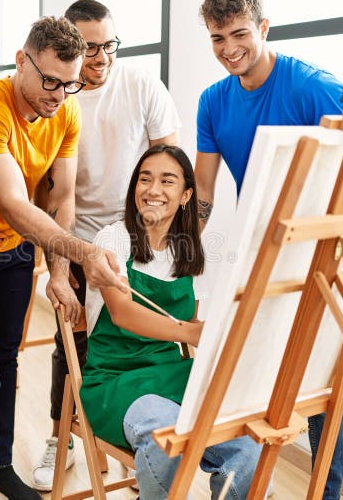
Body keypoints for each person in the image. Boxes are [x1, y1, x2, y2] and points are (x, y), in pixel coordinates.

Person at [0, 16, 126, 500]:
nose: (59, 95)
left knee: (5, 356)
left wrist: (60, 274)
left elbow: (60, 199)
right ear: (21, 60)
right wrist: (85, 253)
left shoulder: (64, 110)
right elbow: (12, 203)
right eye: (49, 81)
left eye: (70, 84)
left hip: (14, 252)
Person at [193, 0, 343, 499]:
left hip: (322, 254)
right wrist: (186, 249)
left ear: (263, 27)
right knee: (253, 376)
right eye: (217, 39)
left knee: (325, 387)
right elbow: (205, 190)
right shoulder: (213, 102)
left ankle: (325, 493)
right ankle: (252, 485)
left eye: (239, 34)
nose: (229, 49)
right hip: (263, 252)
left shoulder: (312, 87)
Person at [32, 0, 182, 492]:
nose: (102, 58)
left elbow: (170, 159)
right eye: (90, 48)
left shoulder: (141, 85)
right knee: (72, 340)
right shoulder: (58, 99)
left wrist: (172, 230)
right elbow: (56, 194)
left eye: (110, 45)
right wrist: (60, 265)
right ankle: (65, 438)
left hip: (142, 235)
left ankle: (143, 442)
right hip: (76, 237)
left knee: (150, 337)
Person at [79, 144, 261, 500]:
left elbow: (192, 329)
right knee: (166, 432)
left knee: (245, 437)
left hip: (173, 373)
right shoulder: (113, 238)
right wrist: (191, 331)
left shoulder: (191, 251)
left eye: (167, 181)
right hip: (115, 381)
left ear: (186, 195)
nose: (153, 190)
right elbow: (123, 312)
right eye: (145, 180)